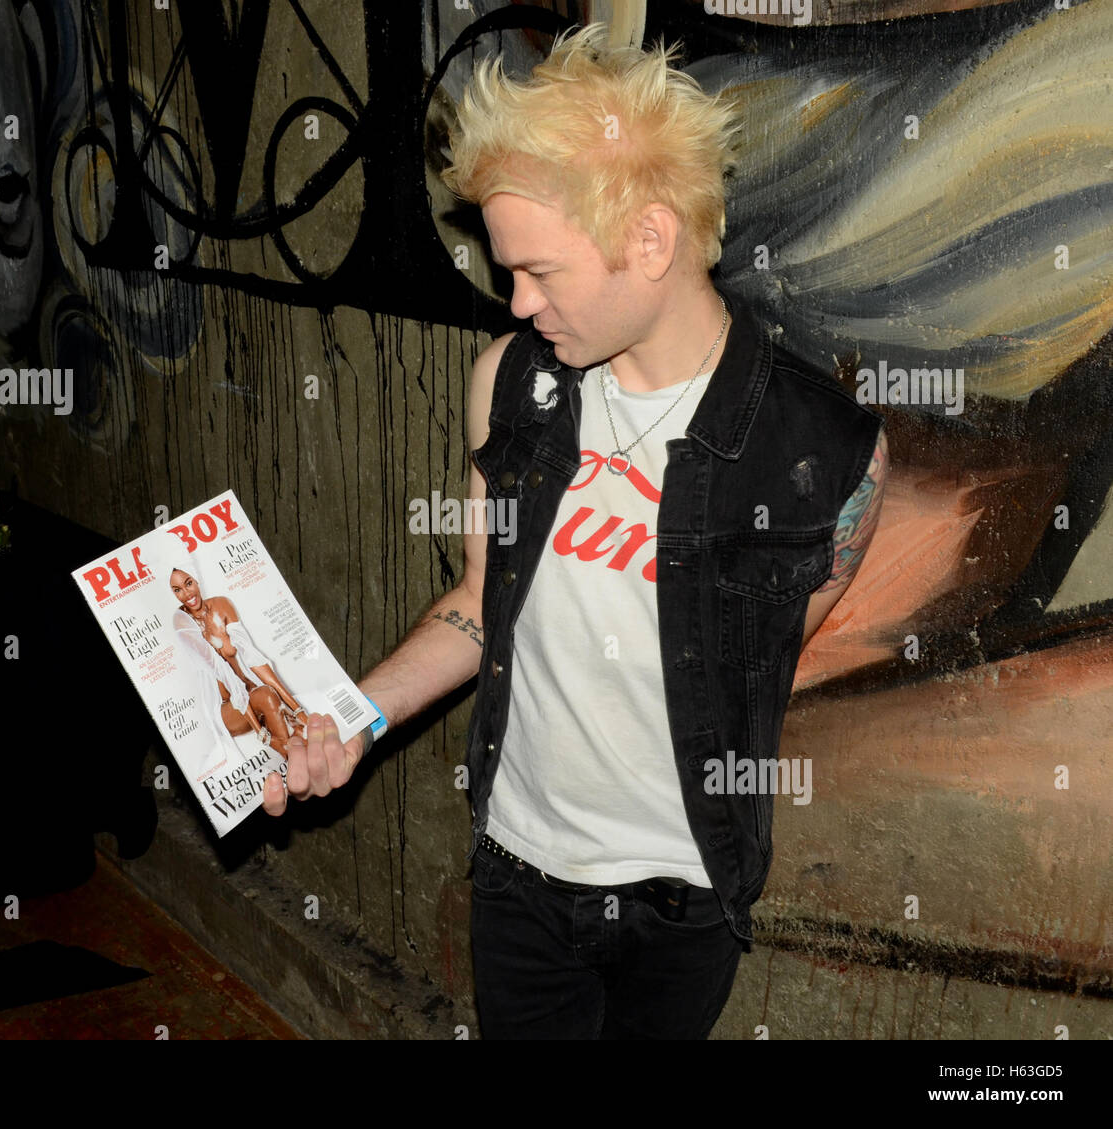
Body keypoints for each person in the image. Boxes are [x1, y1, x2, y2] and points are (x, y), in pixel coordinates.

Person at [261, 23, 889, 1040]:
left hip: (681, 898)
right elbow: (477, 607)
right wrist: (353, 718)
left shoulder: (823, 451)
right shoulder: (511, 385)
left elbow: (769, 656)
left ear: (648, 240)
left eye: (540, 271)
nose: (516, 300)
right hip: (515, 875)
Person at [167, 559, 308, 758]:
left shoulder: (222, 605)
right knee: (268, 696)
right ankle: (288, 752)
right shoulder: (182, 623)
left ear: (197, 579)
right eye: (177, 590)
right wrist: (263, 735)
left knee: (290, 720)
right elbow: (222, 673)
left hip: (252, 693)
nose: (187, 594)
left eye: (188, 583)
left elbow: (255, 659)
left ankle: (293, 753)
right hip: (228, 709)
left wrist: (297, 708)